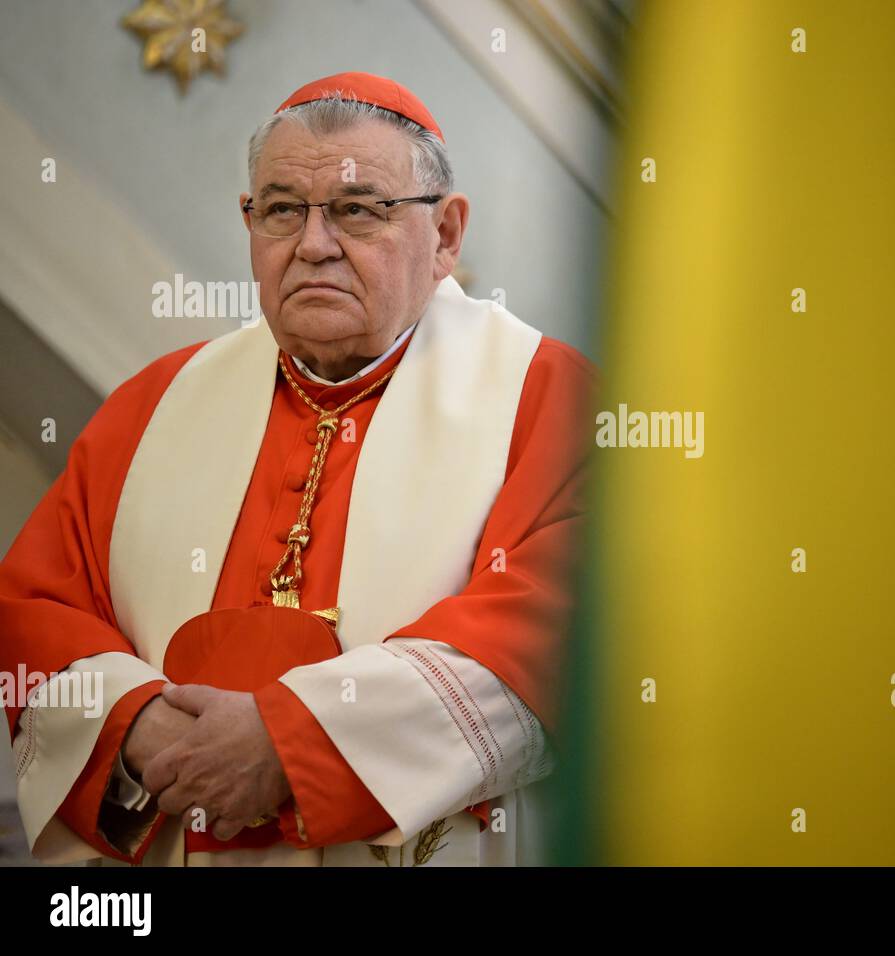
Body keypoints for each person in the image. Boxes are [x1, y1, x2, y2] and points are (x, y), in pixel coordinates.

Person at [0, 71, 597, 866]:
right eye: (281, 209)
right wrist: (135, 725)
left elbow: (559, 625)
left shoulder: (547, 397)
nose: (313, 244)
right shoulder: (154, 405)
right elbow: (36, 606)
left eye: (358, 209)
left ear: (447, 235)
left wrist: (294, 745)